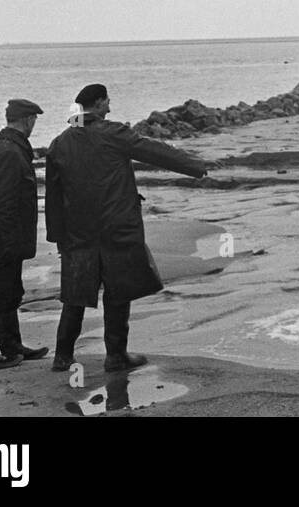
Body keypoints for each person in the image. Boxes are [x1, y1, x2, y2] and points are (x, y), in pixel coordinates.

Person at [45, 83, 207, 373]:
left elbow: (54, 197)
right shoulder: (113, 133)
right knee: (118, 293)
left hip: (77, 232)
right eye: (107, 101)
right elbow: (152, 151)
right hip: (115, 227)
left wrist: (57, 237)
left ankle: (63, 357)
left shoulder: (60, 143)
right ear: (96, 104)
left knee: (75, 295)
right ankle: (115, 356)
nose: (110, 106)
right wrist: (194, 166)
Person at [0, 98, 50, 371]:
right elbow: (5, 205)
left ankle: (12, 347)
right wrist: (12, 244)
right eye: (34, 120)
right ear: (28, 120)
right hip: (2, 238)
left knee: (8, 290)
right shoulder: (11, 154)